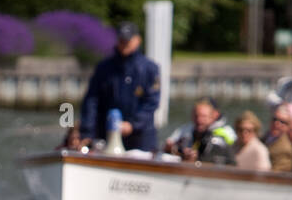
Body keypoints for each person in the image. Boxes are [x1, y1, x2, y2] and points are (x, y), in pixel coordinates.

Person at [77, 22, 162, 153]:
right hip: (107, 133)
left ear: (138, 40)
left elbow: (151, 102)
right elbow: (91, 101)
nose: (125, 42)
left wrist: (133, 125)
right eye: (122, 39)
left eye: (128, 39)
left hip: (140, 138)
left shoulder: (149, 69)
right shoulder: (104, 68)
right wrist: (87, 132)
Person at [164, 97, 236, 165]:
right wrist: (176, 150)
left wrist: (193, 158)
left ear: (214, 115)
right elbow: (169, 144)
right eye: (196, 116)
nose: (199, 120)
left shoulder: (226, 133)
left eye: (203, 116)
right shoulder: (187, 129)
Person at [263, 105, 292, 173]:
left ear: (288, 126)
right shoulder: (264, 137)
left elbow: (277, 175)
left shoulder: (285, 150)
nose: (277, 124)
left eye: (282, 122)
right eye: (275, 119)